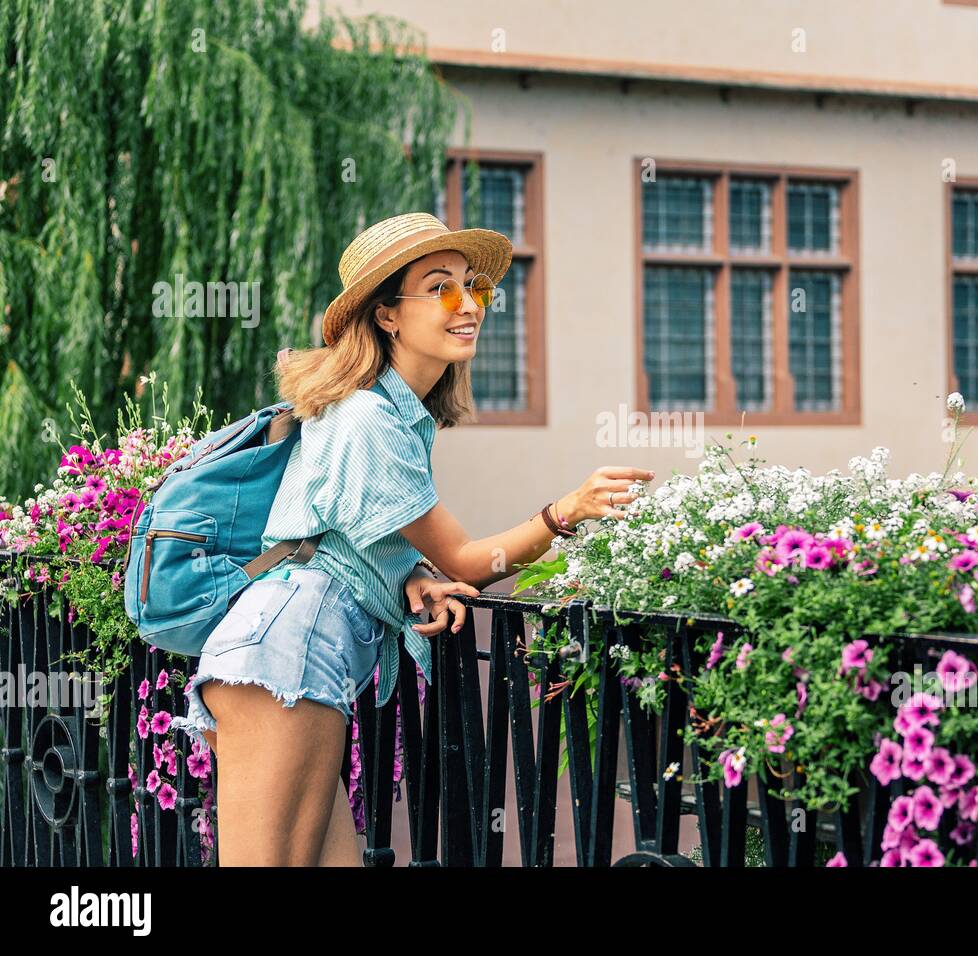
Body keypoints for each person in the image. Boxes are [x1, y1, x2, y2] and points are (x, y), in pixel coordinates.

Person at [170, 212, 654, 865]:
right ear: (388, 316)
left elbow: (343, 538)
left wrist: (410, 576)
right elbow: (467, 560)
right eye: (438, 287)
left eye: (472, 286)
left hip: (301, 658)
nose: (467, 304)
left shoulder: (391, 416)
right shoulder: (368, 416)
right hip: (285, 657)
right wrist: (566, 511)